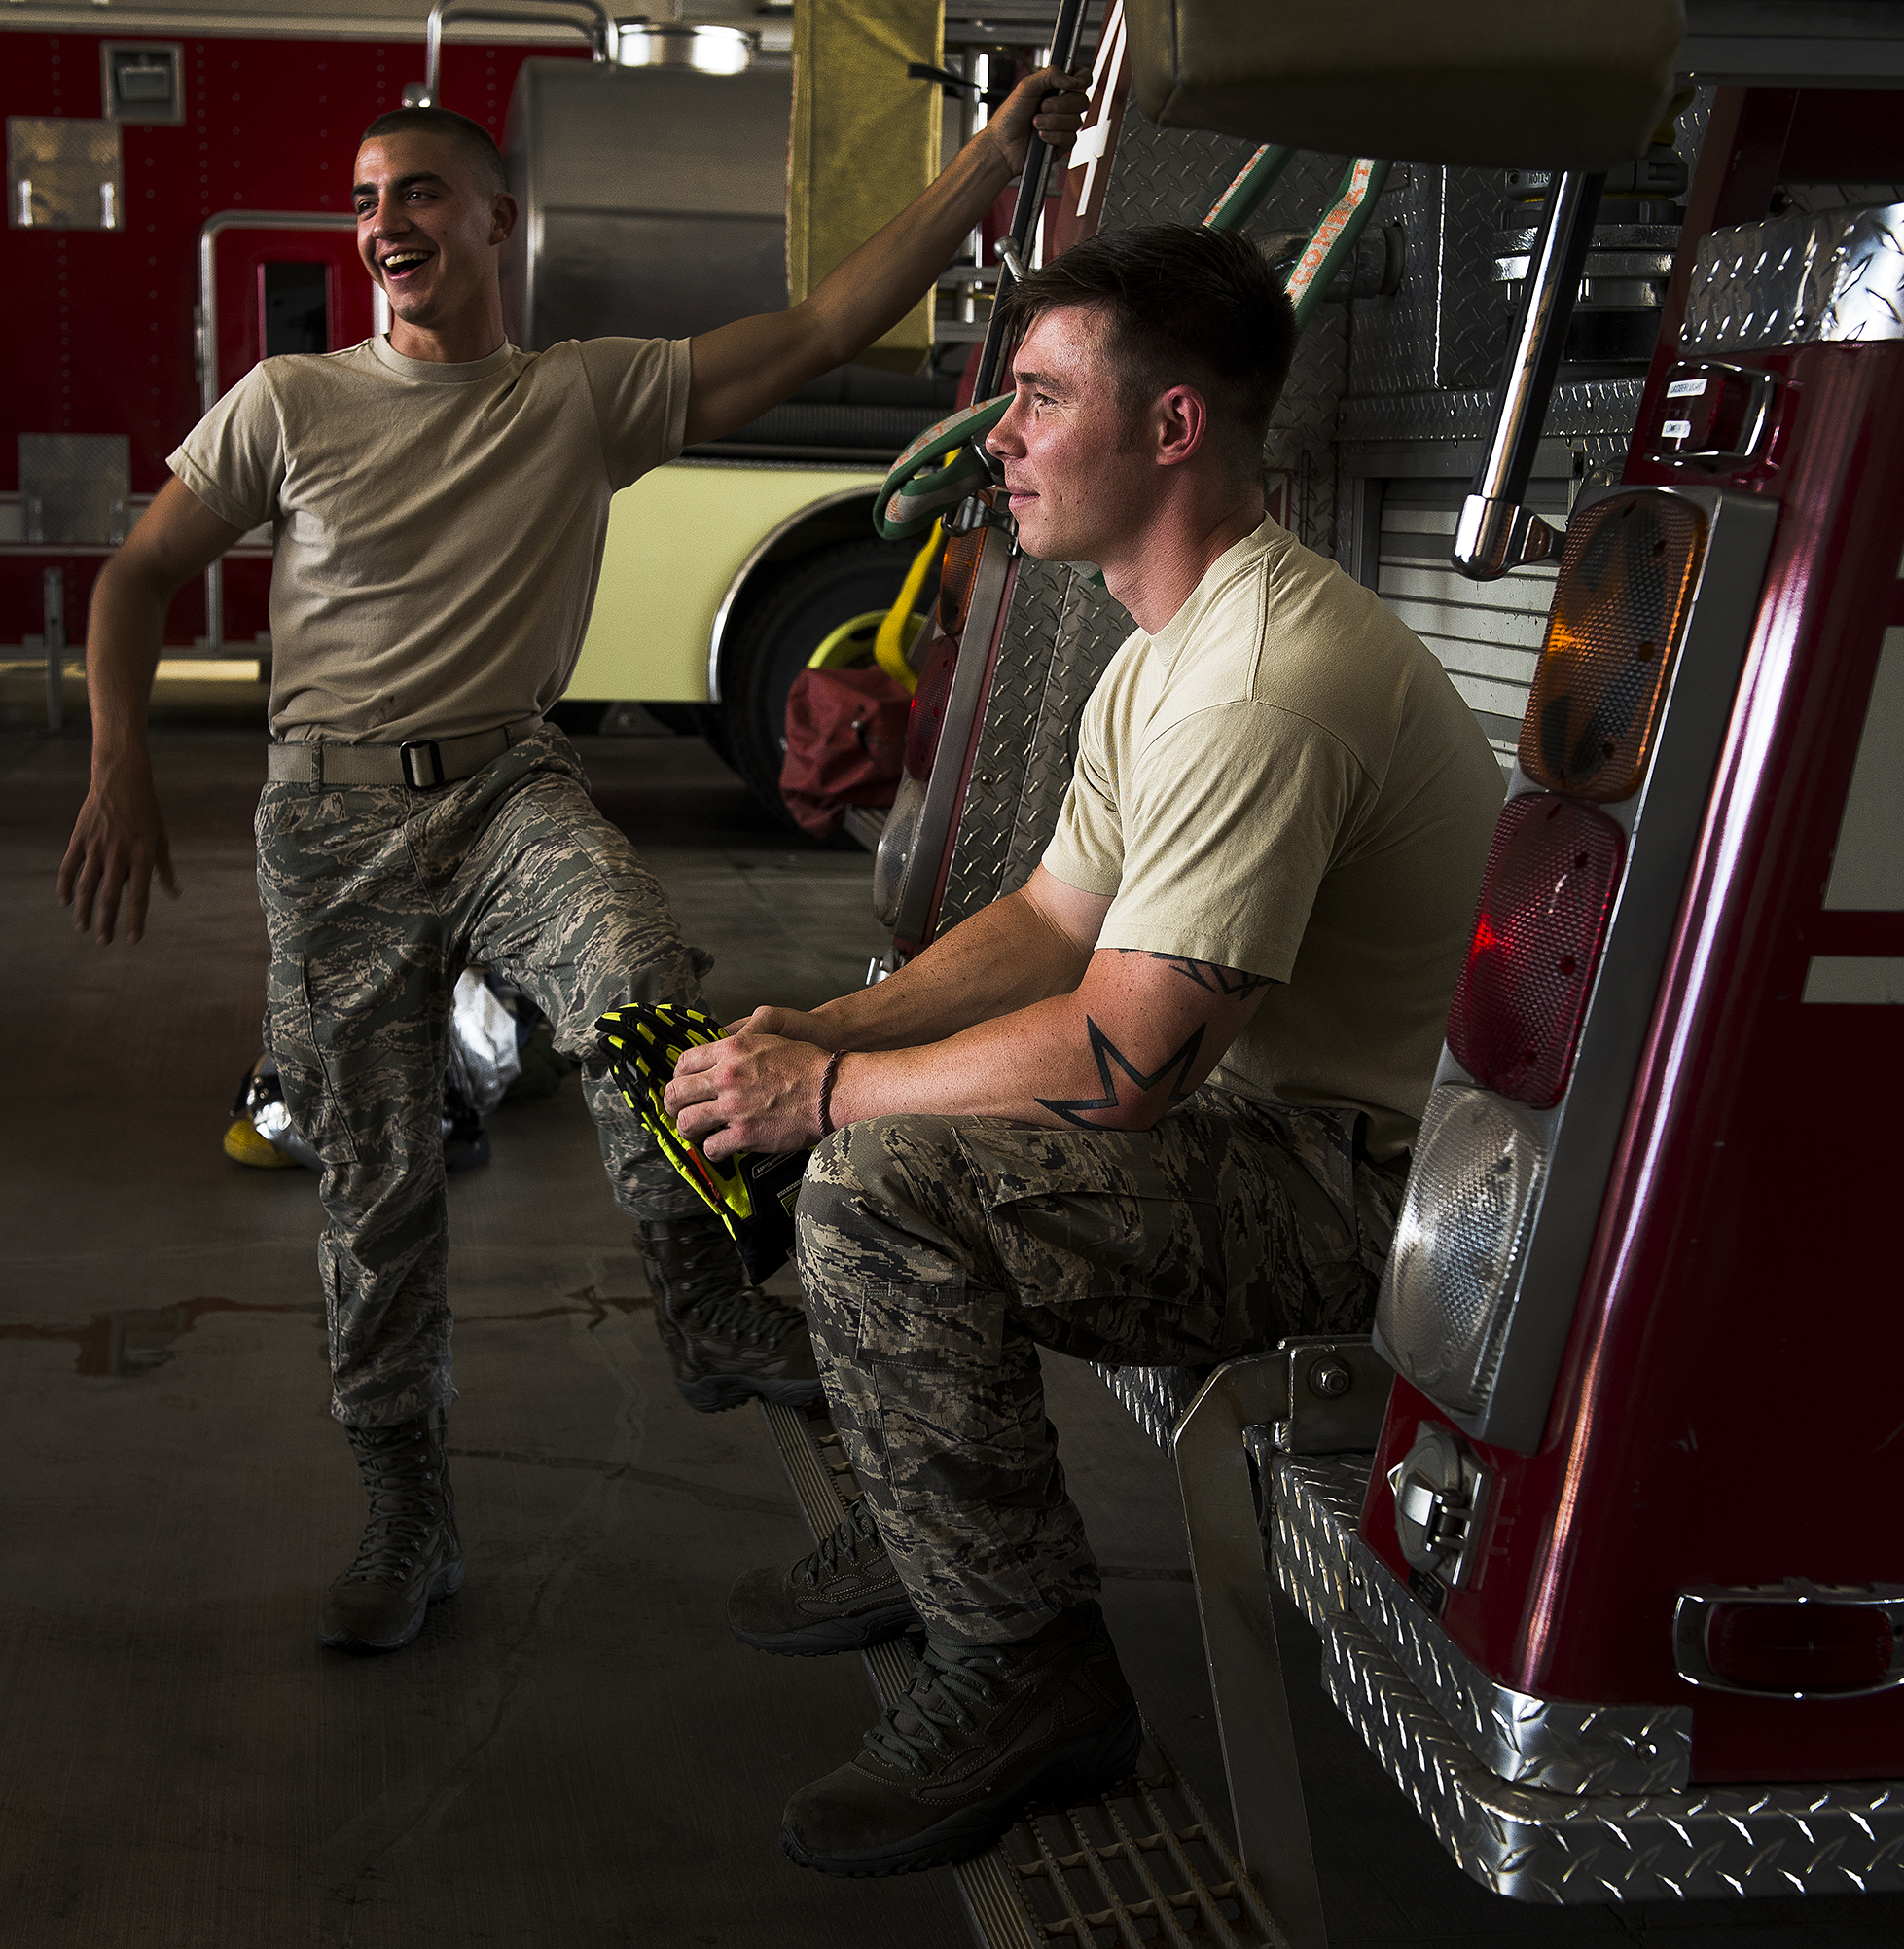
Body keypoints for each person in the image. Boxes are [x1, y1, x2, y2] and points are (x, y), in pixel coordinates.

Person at [54, 80, 1086, 1659]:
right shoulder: (289, 401)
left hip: (507, 786)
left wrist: (992, 162)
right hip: (333, 825)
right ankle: (407, 1507)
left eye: (415, 193)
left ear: (490, 222)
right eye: (366, 197)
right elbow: (136, 576)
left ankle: (700, 1303)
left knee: (637, 980)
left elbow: (818, 326)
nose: (384, 222)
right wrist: (122, 754)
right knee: (377, 1184)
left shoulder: (579, 397)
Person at [664, 223, 1507, 1876]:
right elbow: (1056, 922)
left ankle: (1024, 1662)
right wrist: (820, 1027)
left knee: (881, 1183)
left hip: (1368, 1196)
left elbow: (1127, 1061)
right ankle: (933, 1537)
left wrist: (830, 1096)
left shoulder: (1261, 679)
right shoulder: (1164, 649)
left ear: (1173, 427)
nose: (999, 440)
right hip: (1266, 1135)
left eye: (1041, 397)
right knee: (859, 1124)